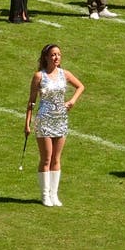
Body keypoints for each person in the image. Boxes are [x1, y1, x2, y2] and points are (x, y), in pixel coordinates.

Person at [25, 45, 84, 207]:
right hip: (44, 119)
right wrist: (27, 123)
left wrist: (72, 101)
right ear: (46, 57)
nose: (56, 57)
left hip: (61, 119)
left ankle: (54, 194)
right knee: (46, 158)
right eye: (53, 55)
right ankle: (45, 194)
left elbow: (80, 86)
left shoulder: (64, 74)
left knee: (57, 158)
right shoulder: (39, 76)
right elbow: (31, 101)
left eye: (58, 55)